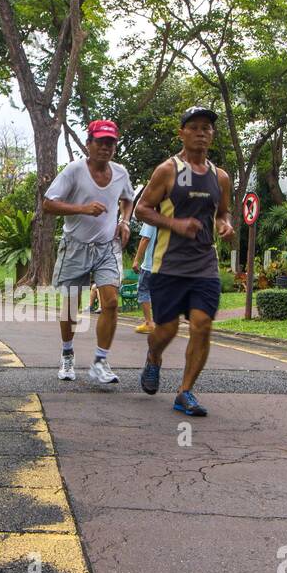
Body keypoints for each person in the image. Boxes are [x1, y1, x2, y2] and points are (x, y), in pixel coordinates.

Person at [133, 106, 235, 417]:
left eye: (207, 127)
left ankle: (185, 391)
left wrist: (224, 224)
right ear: (182, 133)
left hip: (204, 265)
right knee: (167, 329)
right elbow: (142, 209)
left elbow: (223, 212)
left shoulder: (221, 177)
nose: (201, 132)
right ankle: (154, 357)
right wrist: (176, 224)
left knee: (202, 325)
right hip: (168, 265)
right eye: (194, 127)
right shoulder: (167, 170)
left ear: (212, 135)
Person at [42, 119, 134, 383]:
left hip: (107, 247)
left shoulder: (120, 173)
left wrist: (124, 221)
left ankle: (100, 362)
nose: (105, 147)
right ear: (88, 144)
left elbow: (128, 198)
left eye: (110, 143)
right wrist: (82, 208)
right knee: (71, 306)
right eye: (100, 142)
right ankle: (67, 355)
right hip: (75, 246)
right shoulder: (73, 171)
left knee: (112, 302)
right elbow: (48, 204)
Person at [132, 222, 157, 333]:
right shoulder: (171, 215)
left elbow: (145, 239)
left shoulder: (151, 219)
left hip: (150, 265)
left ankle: (149, 323)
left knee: (144, 290)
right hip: (168, 265)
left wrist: (137, 260)